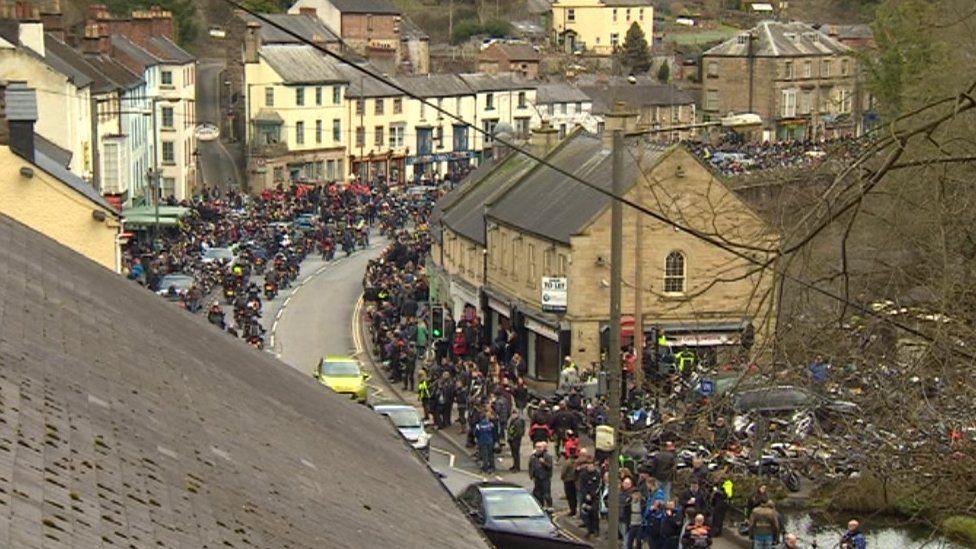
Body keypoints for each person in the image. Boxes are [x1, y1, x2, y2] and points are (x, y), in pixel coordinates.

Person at [578, 460, 601, 538]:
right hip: (586, 498)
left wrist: (592, 495)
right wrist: (586, 495)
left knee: (594, 514)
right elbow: (582, 486)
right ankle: (589, 530)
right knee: (586, 514)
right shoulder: (583, 475)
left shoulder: (597, 475)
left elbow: (598, 486)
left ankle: (596, 530)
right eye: (589, 466)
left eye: (592, 466)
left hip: (595, 498)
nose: (591, 468)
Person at [528, 441, 554, 510]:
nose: (538, 449)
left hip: (545, 478)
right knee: (537, 494)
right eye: (537, 447)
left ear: (543, 448)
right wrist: (531, 475)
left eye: (540, 447)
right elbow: (531, 466)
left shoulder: (547, 456)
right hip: (537, 478)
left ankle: (550, 507)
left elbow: (550, 466)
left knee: (546, 494)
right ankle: (540, 506)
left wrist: (544, 463)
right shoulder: (533, 456)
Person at [560, 449, 579, 517]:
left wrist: (562, 478)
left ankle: (572, 510)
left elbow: (563, 472)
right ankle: (574, 510)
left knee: (570, 496)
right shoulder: (577, 462)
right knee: (574, 496)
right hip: (575, 480)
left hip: (568, 481)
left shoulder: (567, 462)